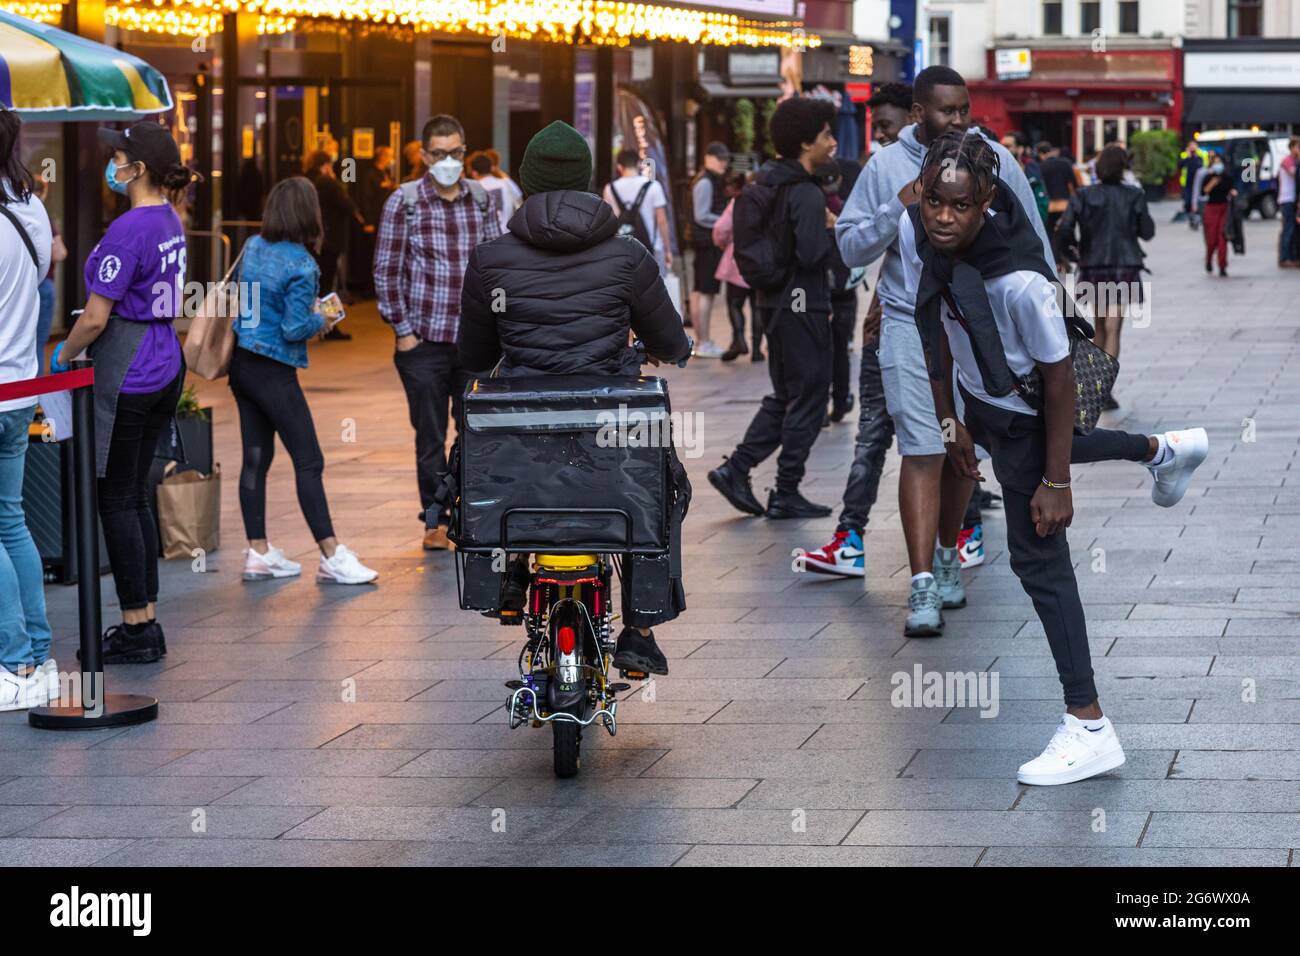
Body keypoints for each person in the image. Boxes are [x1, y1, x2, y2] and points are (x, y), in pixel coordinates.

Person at [900, 128, 1209, 784]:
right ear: (920, 193)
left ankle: (1089, 724)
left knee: (1041, 565)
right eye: (934, 202)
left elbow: (1062, 382)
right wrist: (953, 424)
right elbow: (933, 324)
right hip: (983, 407)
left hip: (1025, 413)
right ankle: (1163, 449)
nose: (944, 218)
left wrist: (1056, 481)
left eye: (960, 206)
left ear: (989, 202)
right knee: (1036, 530)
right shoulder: (918, 230)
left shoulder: (1020, 284)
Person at [458, 120, 691, 675]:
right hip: (610, 422)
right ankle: (638, 629)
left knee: (501, 465)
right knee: (659, 493)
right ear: (587, 182)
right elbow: (670, 341)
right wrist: (660, 348)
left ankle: (514, 574)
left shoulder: (491, 258)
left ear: (527, 181)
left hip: (521, 421)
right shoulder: (628, 255)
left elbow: (472, 353)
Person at [833, 65, 1052, 635]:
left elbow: (1033, 238)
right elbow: (850, 246)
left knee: (963, 447)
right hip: (910, 322)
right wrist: (894, 207)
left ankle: (950, 552)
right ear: (916, 114)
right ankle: (922, 583)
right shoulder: (885, 166)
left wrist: (1045, 307)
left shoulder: (996, 160)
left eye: (964, 110)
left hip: (979, 327)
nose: (958, 120)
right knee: (923, 446)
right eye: (945, 111)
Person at [50, 121, 197, 665]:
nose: (110, 163)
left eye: (117, 155)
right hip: (163, 360)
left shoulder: (130, 230)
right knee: (135, 494)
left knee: (116, 496)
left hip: (129, 366)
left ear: (137, 168)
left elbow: (93, 318)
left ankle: (137, 625)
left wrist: (61, 358)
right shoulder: (170, 219)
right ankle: (145, 621)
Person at [230, 178, 378, 586]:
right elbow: (295, 328)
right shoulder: (302, 263)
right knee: (309, 460)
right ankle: (332, 554)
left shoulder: (253, 246)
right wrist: (324, 318)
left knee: (255, 460)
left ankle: (258, 551)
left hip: (241, 364)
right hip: (274, 370)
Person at [374, 114, 501, 552]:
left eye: (456, 153)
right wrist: (403, 331)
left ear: (465, 152)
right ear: (425, 156)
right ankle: (435, 519)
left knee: (475, 431)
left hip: (472, 342)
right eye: (440, 154)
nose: (449, 161)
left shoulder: (481, 199)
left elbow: (494, 264)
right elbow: (387, 270)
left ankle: (470, 516)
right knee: (429, 435)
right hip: (423, 342)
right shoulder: (404, 202)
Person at [708, 95, 838, 520]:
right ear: (806, 143)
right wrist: (835, 231)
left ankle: (737, 468)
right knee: (811, 396)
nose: (832, 142)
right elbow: (813, 254)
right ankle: (785, 489)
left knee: (787, 394)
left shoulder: (765, 181)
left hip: (773, 305)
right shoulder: (804, 191)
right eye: (826, 135)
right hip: (803, 306)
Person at [0, 108, 54, 710]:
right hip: (20, 386)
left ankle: (14, 662)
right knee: (10, 520)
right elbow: (40, 278)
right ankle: (36, 656)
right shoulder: (32, 208)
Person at [1055, 143, 1153, 411]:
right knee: (1113, 328)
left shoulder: (1084, 195)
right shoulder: (1134, 195)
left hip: (1093, 265)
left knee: (1099, 326)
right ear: (1124, 167)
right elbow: (1147, 232)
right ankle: (1105, 389)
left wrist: (1073, 253)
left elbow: (1064, 229)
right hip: (1124, 266)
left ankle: (1095, 387)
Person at [817, 159, 865, 424]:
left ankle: (822, 405)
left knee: (821, 348)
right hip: (845, 289)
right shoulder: (846, 210)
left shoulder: (813, 207)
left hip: (820, 291)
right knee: (840, 347)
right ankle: (841, 398)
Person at [304, 149, 362, 339]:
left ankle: (312, 323)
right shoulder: (329, 183)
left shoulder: (305, 181)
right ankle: (330, 327)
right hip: (329, 241)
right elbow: (347, 205)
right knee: (328, 286)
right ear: (326, 165)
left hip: (310, 239)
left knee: (314, 283)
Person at [688, 142, 731, 357]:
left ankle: (702, 341)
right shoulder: (705, 182)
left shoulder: (706, 180)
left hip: (703, 242)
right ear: (709, 158)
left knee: (700, 291)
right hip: (707, 242)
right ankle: (703, 341)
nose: (724, 164)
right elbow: (701, 215)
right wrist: (725, 220)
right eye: (721, 159)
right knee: (706, 291)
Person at [711, 171, 759, 362]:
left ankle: (739, 338)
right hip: (762, 260)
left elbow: (721, 228)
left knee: (734, 303)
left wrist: (723, 244)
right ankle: (757, 349)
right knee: (758, 306)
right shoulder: (765, 200)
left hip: (738, 259)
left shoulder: (737, 202)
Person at [602, 148, 672, 275]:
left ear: (619, 166)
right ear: (639, 164)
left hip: (622, 248)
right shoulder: (654, 186)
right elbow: (661, 220)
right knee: (655, 288)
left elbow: (608, 219)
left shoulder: (609, 189)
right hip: (653, 247)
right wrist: (668, 249)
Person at [30, 176, 65, 368]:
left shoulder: (15, 215)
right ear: (43, 192)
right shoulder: (42, 217)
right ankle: (34, 391)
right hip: (43, 285)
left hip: (21, 285)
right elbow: (59, 252)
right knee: (39, 341)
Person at [356, 145, 397, 295]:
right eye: (390, 156)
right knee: (371, 253)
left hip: (384, 220)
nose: (392, 159)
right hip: (374, 220)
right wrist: (368, 221)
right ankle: (368, 287)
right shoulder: (370, 174)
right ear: (383, 157)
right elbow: (366, 198)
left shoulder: (385, 174)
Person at [1199, 151, 1236, 277]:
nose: (1217, 165)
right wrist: (1213, 183)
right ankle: (1209, 260)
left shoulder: (1227, 177)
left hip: (1224, 208)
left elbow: (1231, 189)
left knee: (1222, 238)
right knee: (1211, 239)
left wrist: (1233, 192)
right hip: (1211, 209)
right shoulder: (1208, 177)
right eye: (1215, 163)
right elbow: (1204, 192)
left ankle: (1222, 266)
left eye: (1219, 162)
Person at [467, 150, 522, 234]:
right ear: (491, 168)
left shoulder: (473, 188)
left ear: (474, 173)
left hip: (485, 240)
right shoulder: (507, 183)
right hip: (508, 236)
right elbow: (519, 201)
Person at [1036, 141, 1076, 254]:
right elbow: (1071, 185)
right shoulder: (1066, 163)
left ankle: (1056, 262)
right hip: (1066, 205)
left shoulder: (1041, 166)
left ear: (1041, 154)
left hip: (1050, 206)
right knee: (1068, 236)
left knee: (1051, 238)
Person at [867, 82, 913, 150]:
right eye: (874, 128)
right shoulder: (878, 160)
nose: (877, 136)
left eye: (885, 125)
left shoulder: (931, 156)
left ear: (912, 119)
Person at [1277, 138, 1299, 268]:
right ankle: (1284, 257)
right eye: (1297, 147)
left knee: (1291, 228)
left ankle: (1290, 255)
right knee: (1288, 229)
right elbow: (1294, 173)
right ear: (1291, 147)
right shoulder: (1287, 161)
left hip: (1291, 198)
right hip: (1287, 198)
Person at [1177, 139, 1208, 225]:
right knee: (1188, 201)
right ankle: (1191, 215)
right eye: (1191, 145)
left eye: (1194, 145)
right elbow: (1180, 165)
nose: (1192, 147)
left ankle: (1197, 216)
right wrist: (1188, 156)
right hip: (1188, 182)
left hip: (1199, 182)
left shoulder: (1201, 155)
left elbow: (1202, 165)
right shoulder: (1184, 155)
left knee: (1198, 200)